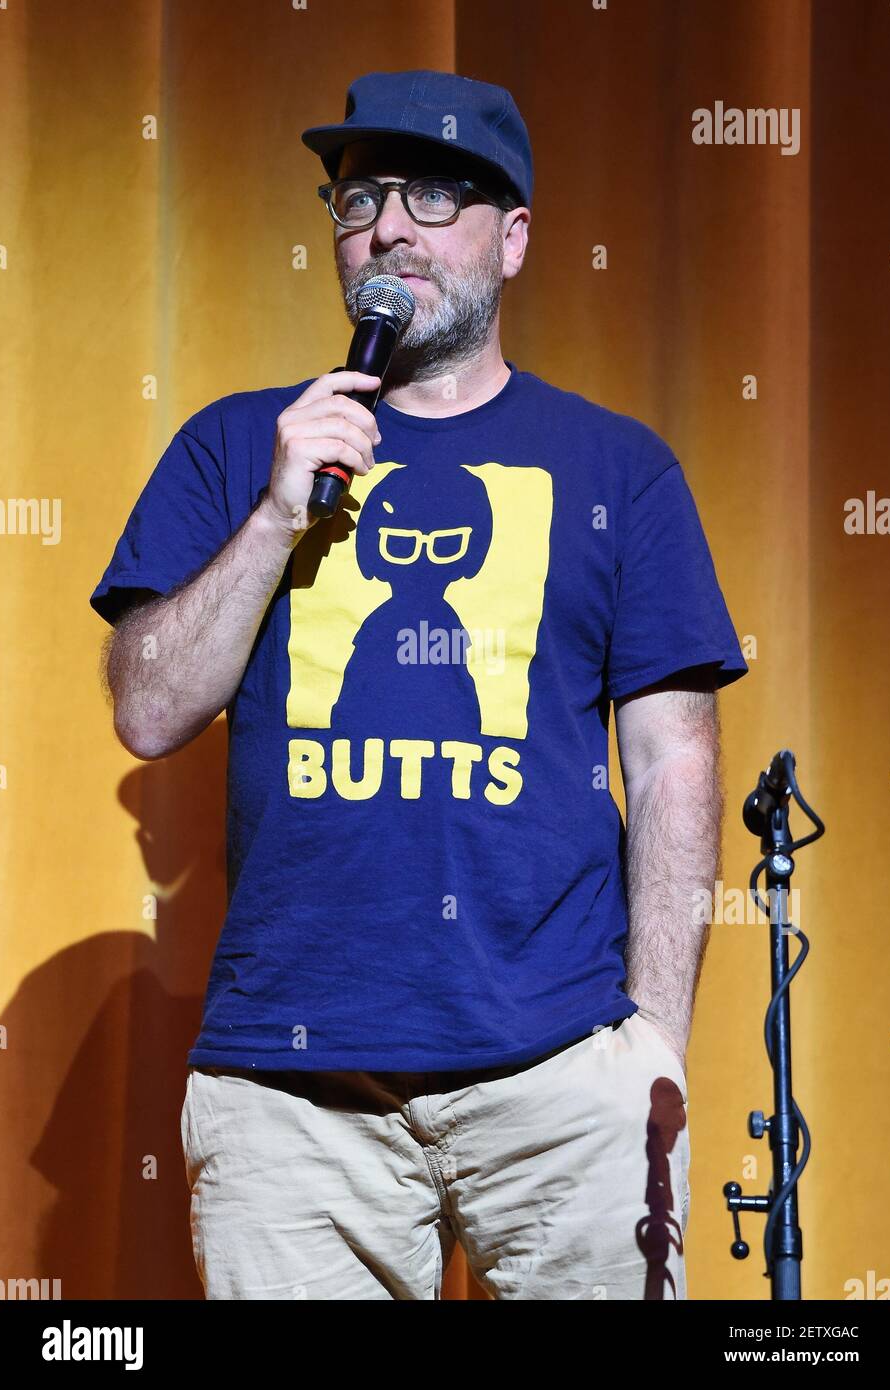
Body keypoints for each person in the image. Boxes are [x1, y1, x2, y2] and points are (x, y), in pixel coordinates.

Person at [90, 68, 749, 1301]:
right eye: (358, 197)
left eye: (433, 194)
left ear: (513, 238)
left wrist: (651, 1048)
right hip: (292, 1106)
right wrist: (276, 515)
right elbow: (147, 707)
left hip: (558, 1083)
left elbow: (672, 762)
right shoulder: (237, 446)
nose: (387, 226)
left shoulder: (619, 468)